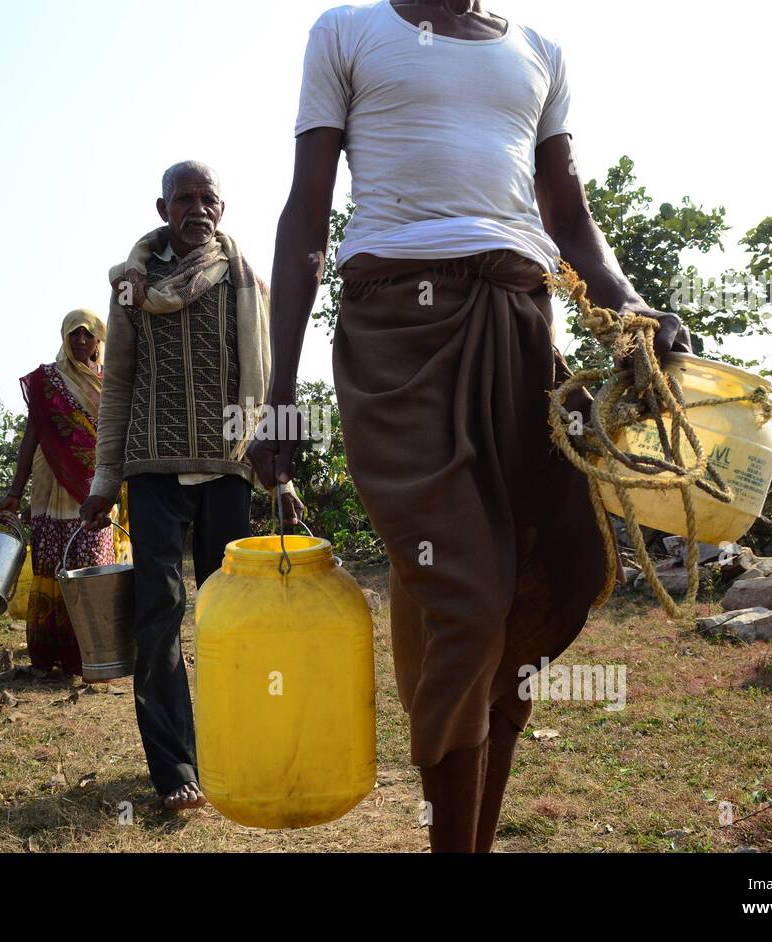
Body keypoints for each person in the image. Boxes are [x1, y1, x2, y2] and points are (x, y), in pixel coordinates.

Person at [250, 0, 693, 852]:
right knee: (466, 597)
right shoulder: (345, 32)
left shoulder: (540, 51)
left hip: (521, 326)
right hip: (396, 334)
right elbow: (305, 217)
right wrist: (279, 394)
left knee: (530, 583)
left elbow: (569, 219)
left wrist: (633, 305)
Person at [79, 160, 302, 812]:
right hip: (152, 473)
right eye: (184, 198)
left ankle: (232, 748)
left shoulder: (243, 280)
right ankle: (175, 766)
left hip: (229, 469)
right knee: (158, 620)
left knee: (229, 620)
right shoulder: (131, 289)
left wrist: (280, 474)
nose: (197, 208)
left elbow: (263, 381)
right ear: (162, 208)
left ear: (222, 210)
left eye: (208, 198)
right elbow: (116, 384)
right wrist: (104, 478)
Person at [0, 309, 119, 675]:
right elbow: (32, 436)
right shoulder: (47, 381)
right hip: (51, 482)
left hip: (96, 485)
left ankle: (92, 651)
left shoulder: (110, 382)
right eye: (74, 334)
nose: (81, 340)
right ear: (64, 338)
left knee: (92, 563)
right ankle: (52, 653)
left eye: (88, 334)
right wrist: (15, 492)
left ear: (99, 340)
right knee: (54, 563)